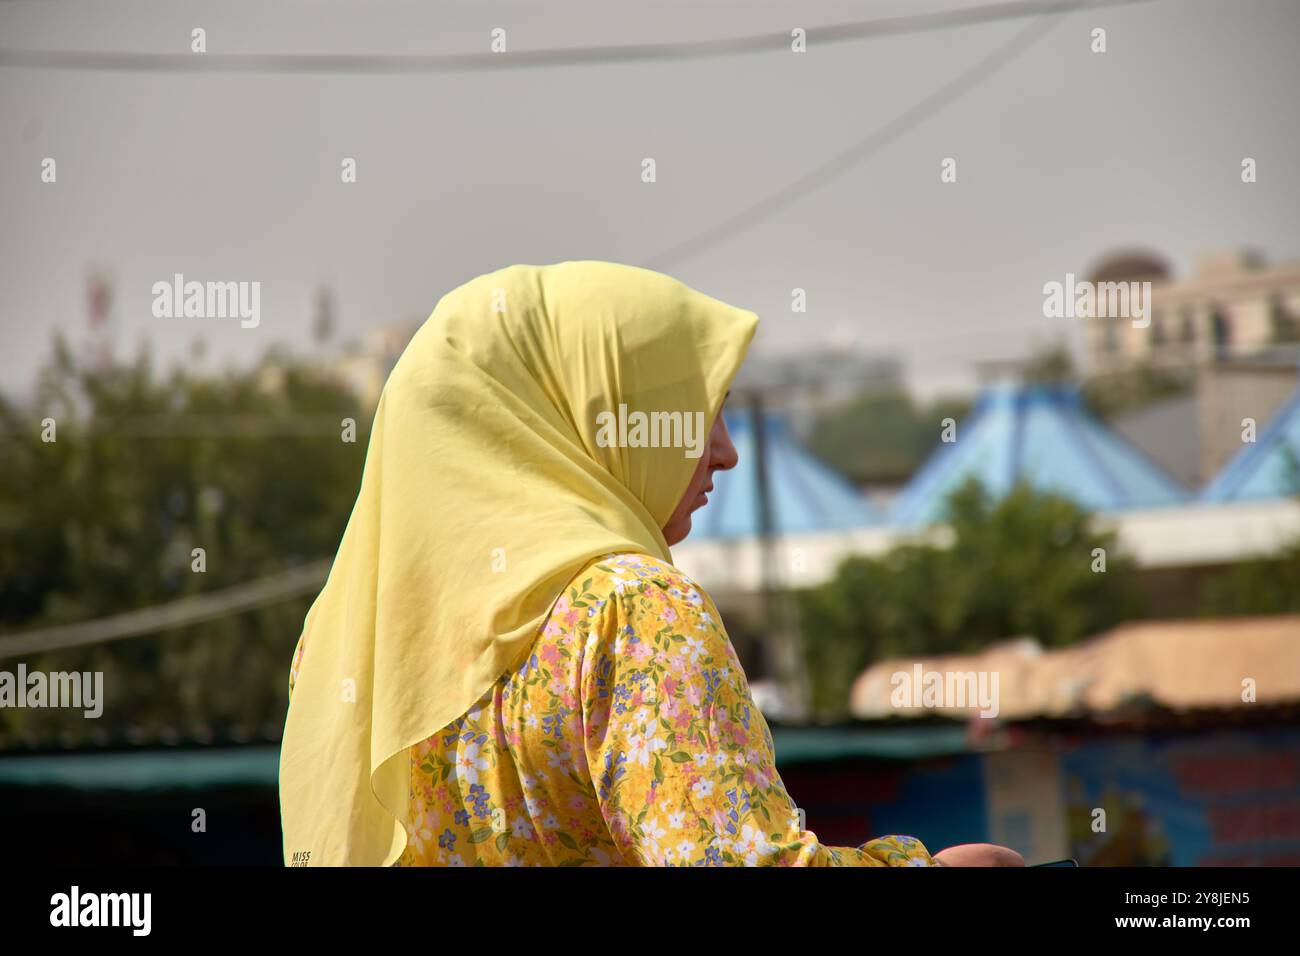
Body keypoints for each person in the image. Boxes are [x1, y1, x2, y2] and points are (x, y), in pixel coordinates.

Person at [279, 260, 1024, 868]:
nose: (727, 451)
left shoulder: (339, 645)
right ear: (598, 412)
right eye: (702, 411)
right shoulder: (630, 613)